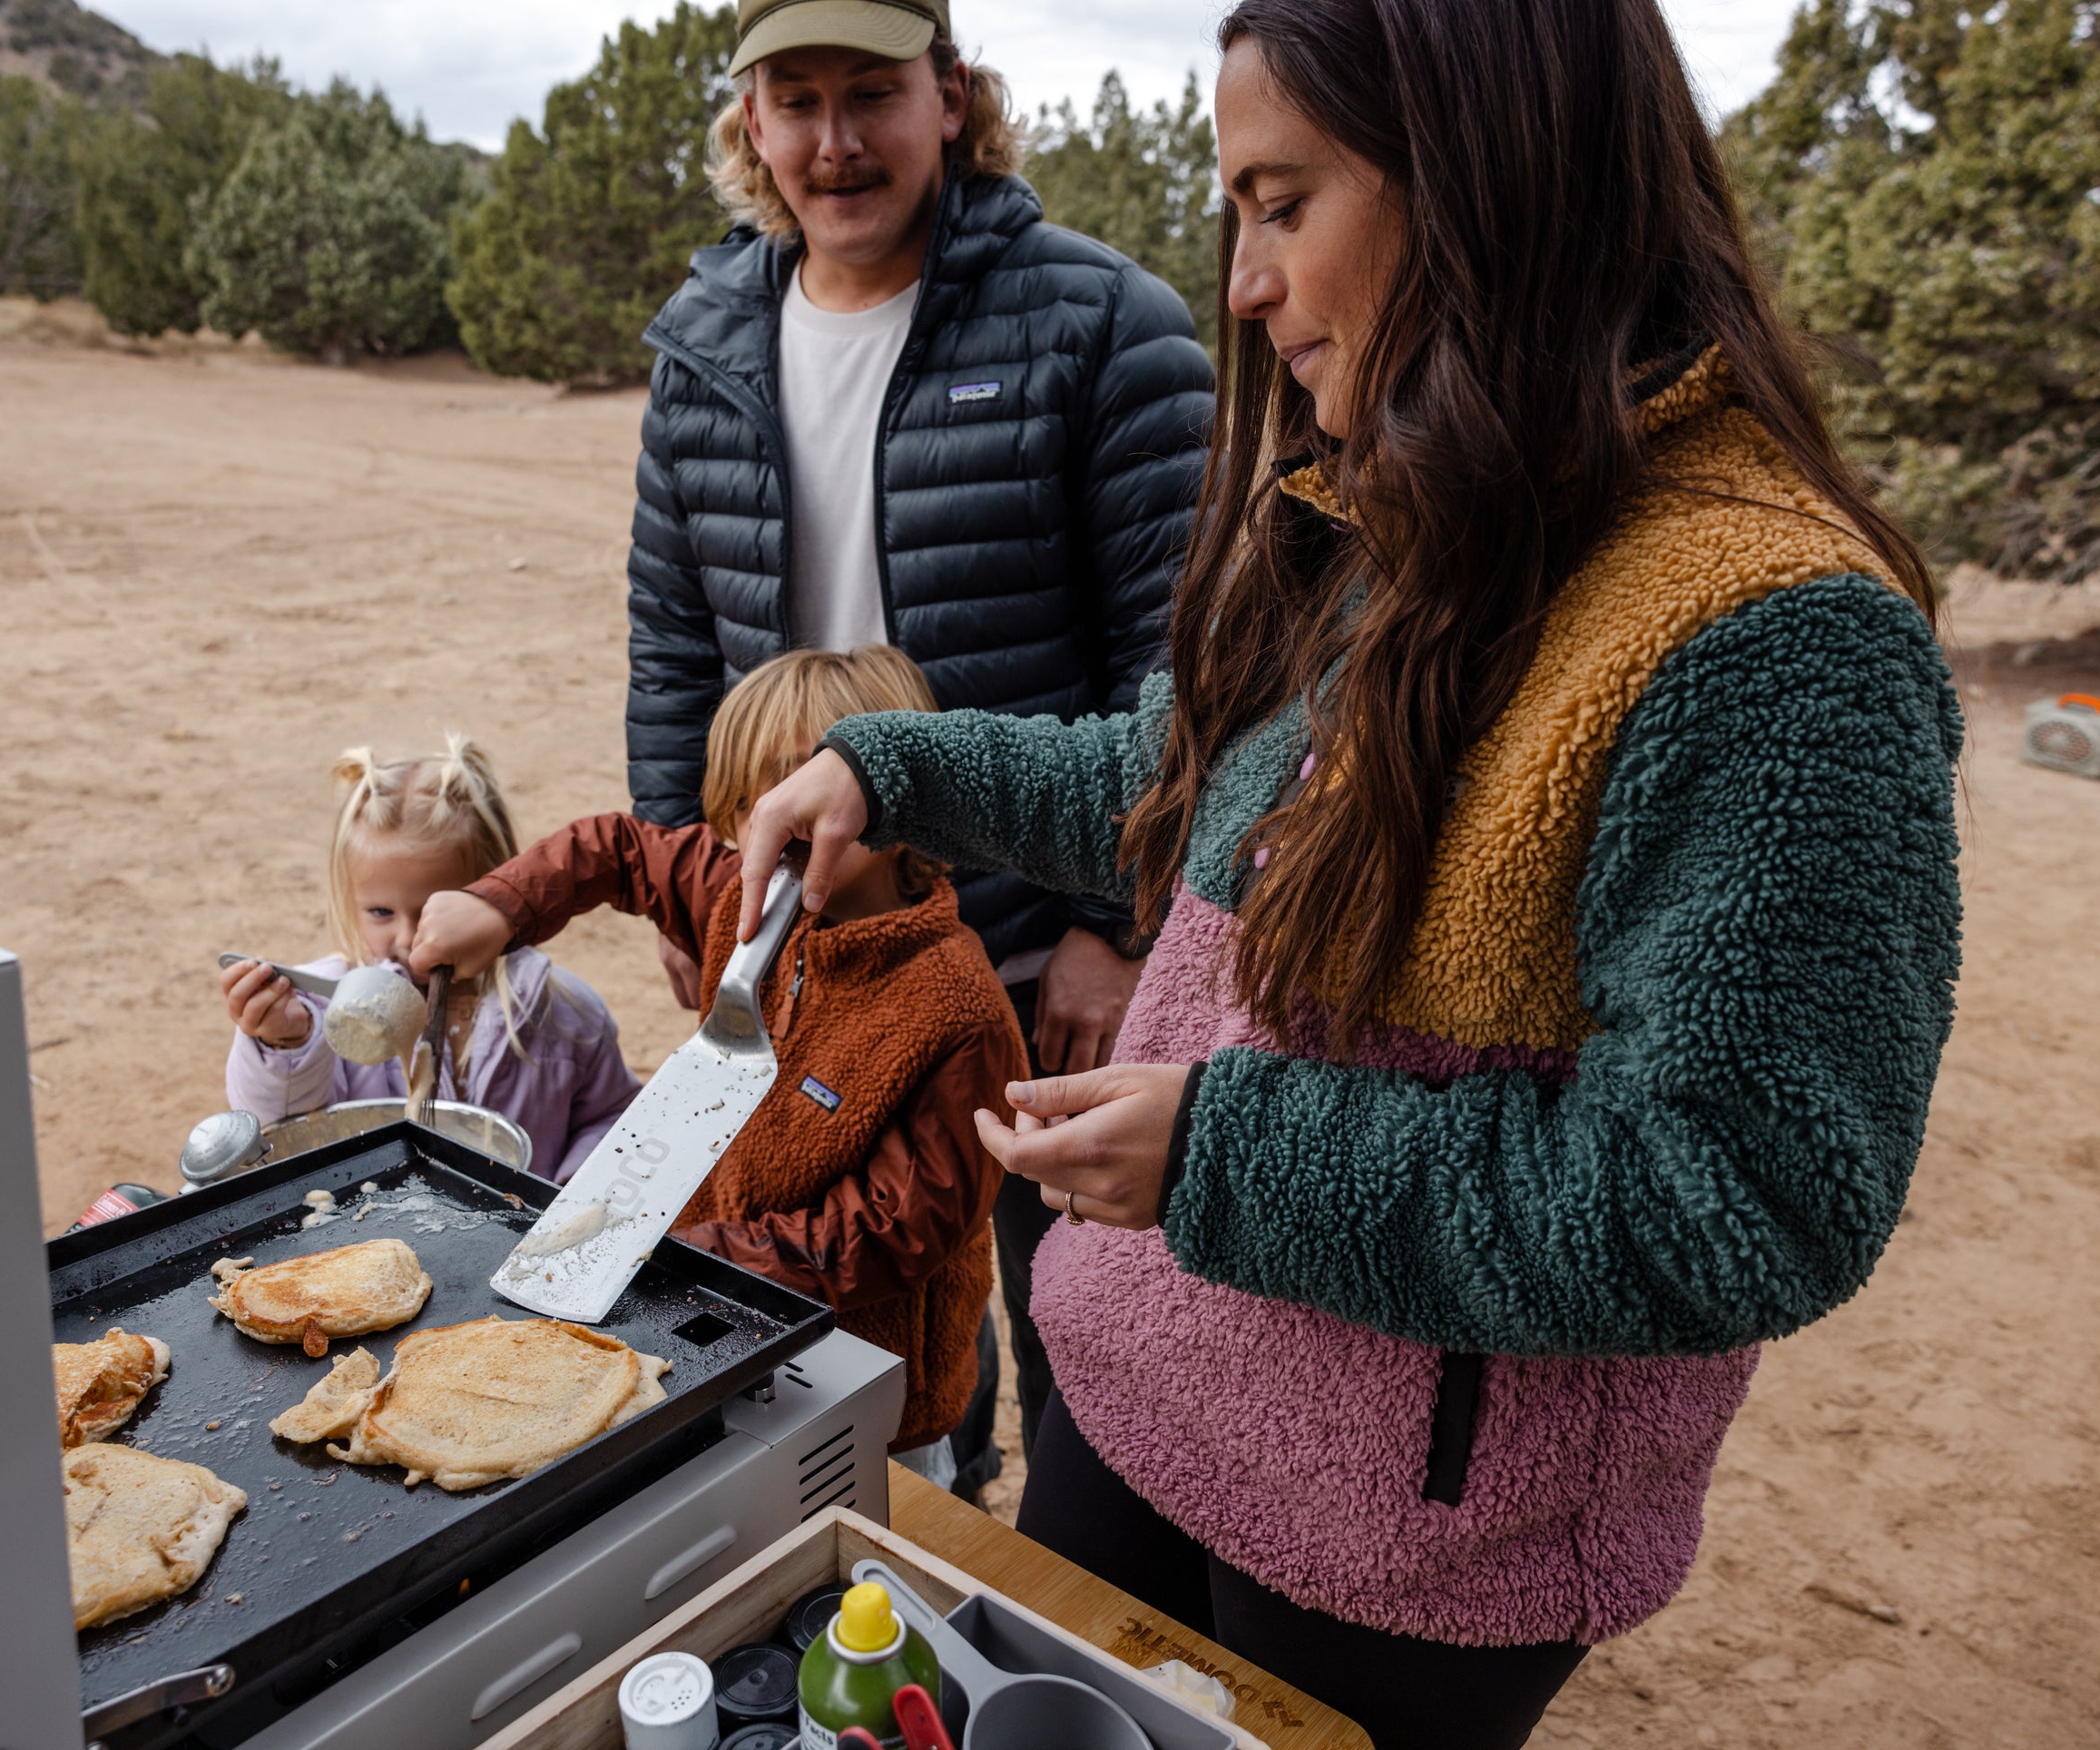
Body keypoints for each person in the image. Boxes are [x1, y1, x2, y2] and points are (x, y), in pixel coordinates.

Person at [731, 0, 1964, 1741]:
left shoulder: (1771, 638)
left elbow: (1749, 1192)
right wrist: (898, 763)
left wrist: (1227, 1150)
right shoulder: (1378, 508)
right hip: (1141, 1387)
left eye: (1282, 202)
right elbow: (1176, 793)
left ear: (1481, 183)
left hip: (1405, 1544)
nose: (1241, 282)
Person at [625, 0, 1215, 1487]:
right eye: (797, 98)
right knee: (860, 1298)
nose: (836, 142)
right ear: (749, 120)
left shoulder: (1102, 320)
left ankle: (1081, 1611)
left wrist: (1112, 923)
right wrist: (697, 887)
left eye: (873, 93)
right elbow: (672, 647)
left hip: (1030, 939)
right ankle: (909, 1558)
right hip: (811, 945)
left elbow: (1191, 665)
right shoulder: (700, 347)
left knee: (1093, 1316)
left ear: (950, 94)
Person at [410, 648, 1024, 1485]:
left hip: (874, 1396)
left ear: (901, 794)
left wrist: (699, 1258)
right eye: (751, 804)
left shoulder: (955, 1006)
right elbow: (618, 848)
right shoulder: (742, 890)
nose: (771, 832)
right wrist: (503, 902)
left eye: (806, 796)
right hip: (721, 1330)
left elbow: (896, 1226)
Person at [220, 734, 640, 1184]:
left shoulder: (563, 1012)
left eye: (432, 911)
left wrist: (574, 1191)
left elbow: (611, 1116)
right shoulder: (319, 1012)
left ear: (497, 893)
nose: (407, 938)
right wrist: (285, 1045)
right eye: (380, 912)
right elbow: (284, 1137)